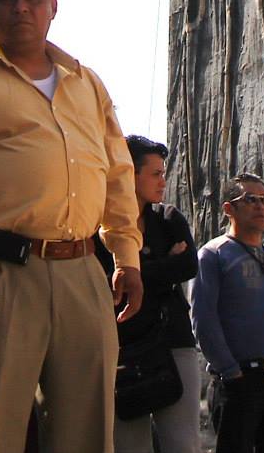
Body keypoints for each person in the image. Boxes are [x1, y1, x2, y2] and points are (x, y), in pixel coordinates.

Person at [0, 0, 143, 453]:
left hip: (85, 270)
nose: (19, 8)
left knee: (88, 431)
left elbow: (117, 174)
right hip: (1, 272)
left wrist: (127, 258)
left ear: (53, 7)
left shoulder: (86, 83)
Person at [192, 173, 264, 453]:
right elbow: (203, 320)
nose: (261, 206)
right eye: (250, 200)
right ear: (229, 209)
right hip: (238, 379)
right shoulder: (214, 254)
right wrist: (229, 371)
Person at [109, 135, 199, 453]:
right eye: (155, 173)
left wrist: (136, 270)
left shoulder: (169, 218)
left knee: (182, 444)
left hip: (173, 342)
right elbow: (108, 281)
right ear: (128, 174)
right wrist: (163, 265)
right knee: (129, 446)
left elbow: (188, 266)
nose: (163, 181)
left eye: (164, 173)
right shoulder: (99, 226)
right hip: (122, 350)